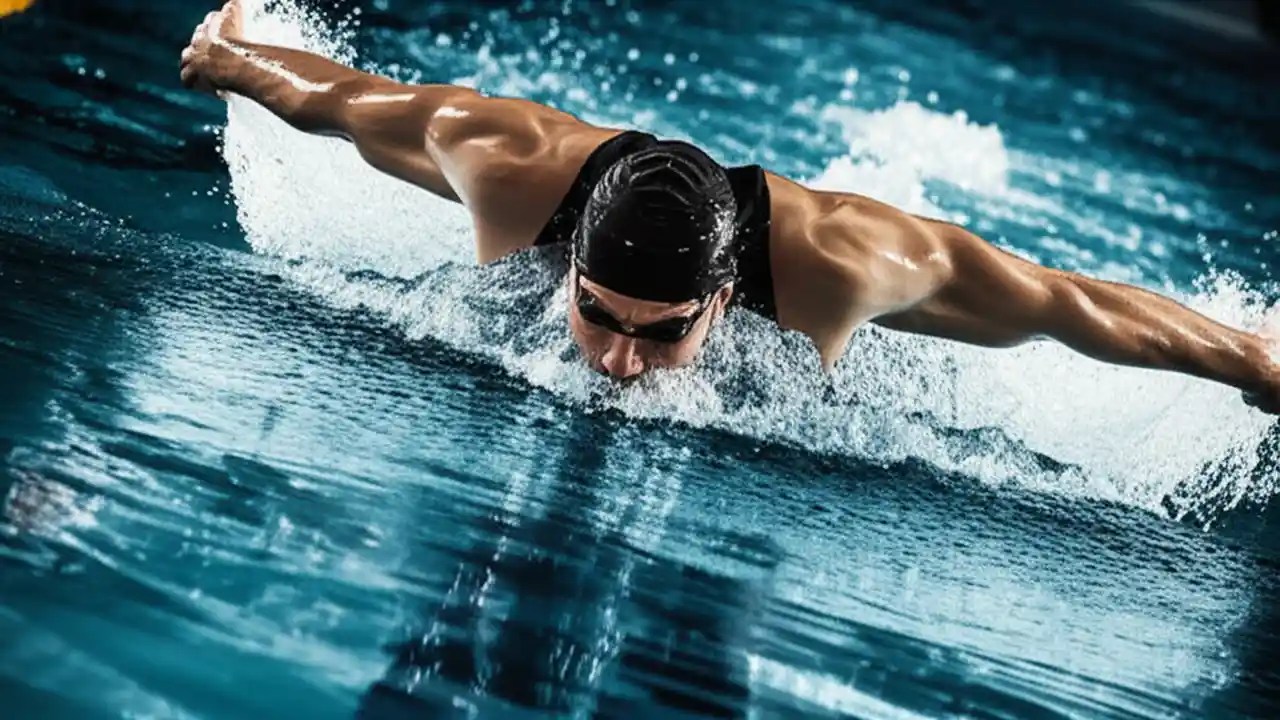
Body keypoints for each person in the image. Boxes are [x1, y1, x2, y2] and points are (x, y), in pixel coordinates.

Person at [181, 0, 1280, 413]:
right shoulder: (501, 166)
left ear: (717, 299)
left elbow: (1065, 305)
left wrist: (1250, 362)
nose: (614, 362)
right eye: (596, 313)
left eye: (657, 335)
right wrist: (231, 56)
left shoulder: (842, 264)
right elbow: (339, 100)